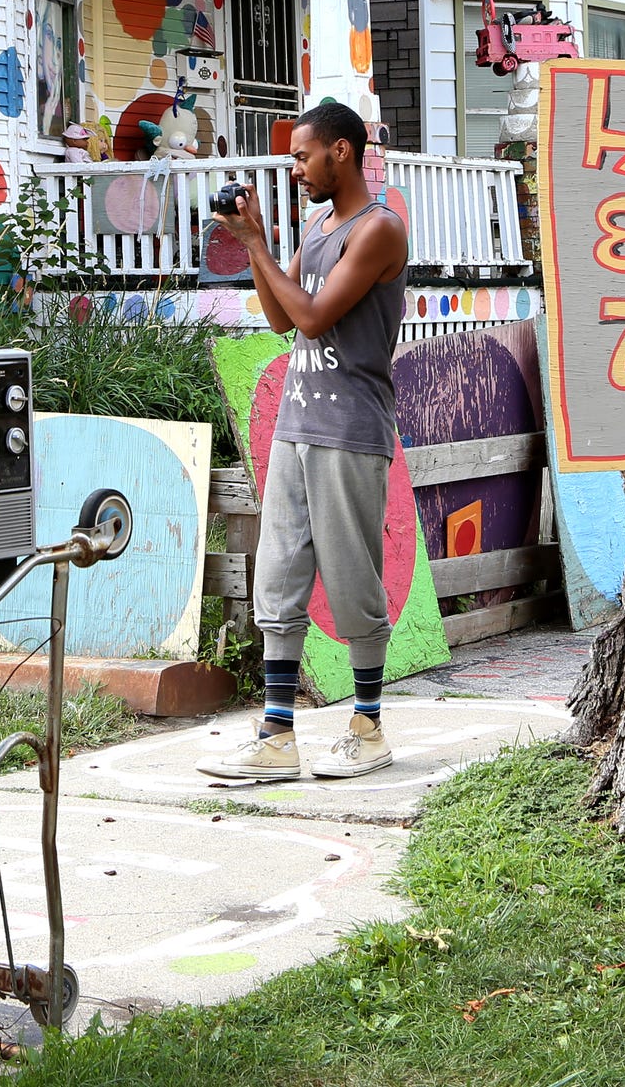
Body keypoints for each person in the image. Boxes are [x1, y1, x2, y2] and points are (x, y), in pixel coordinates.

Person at [198, 103, 408, 781]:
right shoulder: (318, 226)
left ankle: (369, 726)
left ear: (341, 152)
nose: (294, 170)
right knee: (278, 575)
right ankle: (277, 734)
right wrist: (252, 242)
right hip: (295, 425)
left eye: (301, 156)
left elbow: (314, 316)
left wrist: (257, 245)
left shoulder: (377, 229)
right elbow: (279, 315)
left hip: (349, 429)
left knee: (352, 579)